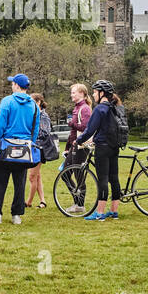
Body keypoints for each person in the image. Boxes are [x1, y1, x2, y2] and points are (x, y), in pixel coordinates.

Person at [0, 74, 39, 225]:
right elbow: (35, 129)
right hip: (24, 148)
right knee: (20, 182)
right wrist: (30, 144)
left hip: (5, 146)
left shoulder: (7, 101)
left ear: (16, 85)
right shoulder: (34, 105)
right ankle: (17, 214)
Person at [78, 80, 122, 221]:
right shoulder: (114, 107)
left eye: (95, 92)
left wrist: (78, 140)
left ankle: (100, 213)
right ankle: (113, 211)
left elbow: (90, 129)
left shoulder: (100, 109)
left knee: (102, 179)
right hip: (114, 146)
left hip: (102, 148)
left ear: (102, 93)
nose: (93, 94)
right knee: (114, 179)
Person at [62, 83, 92, 215]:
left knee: (79, 175)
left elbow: (85, 127)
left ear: (81, 93)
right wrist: (68, 147)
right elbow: (73, 131)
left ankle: (80, 204)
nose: (71, 95)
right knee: (65, 173)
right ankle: (77, 200)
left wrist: (71, 123)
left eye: (73, 92)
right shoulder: (77, 108)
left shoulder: (84, 108)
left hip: (81, 146)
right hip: (74, 146)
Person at [26, 93, 53, 210]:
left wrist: (31, 134)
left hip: (39, 149)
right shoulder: (34, 115)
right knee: (37, 176)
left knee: (32, 176)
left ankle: (28, 201)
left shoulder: (43, 116)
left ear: (38, 102)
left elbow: (45, 132)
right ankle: (43, 201)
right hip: (34, 148)